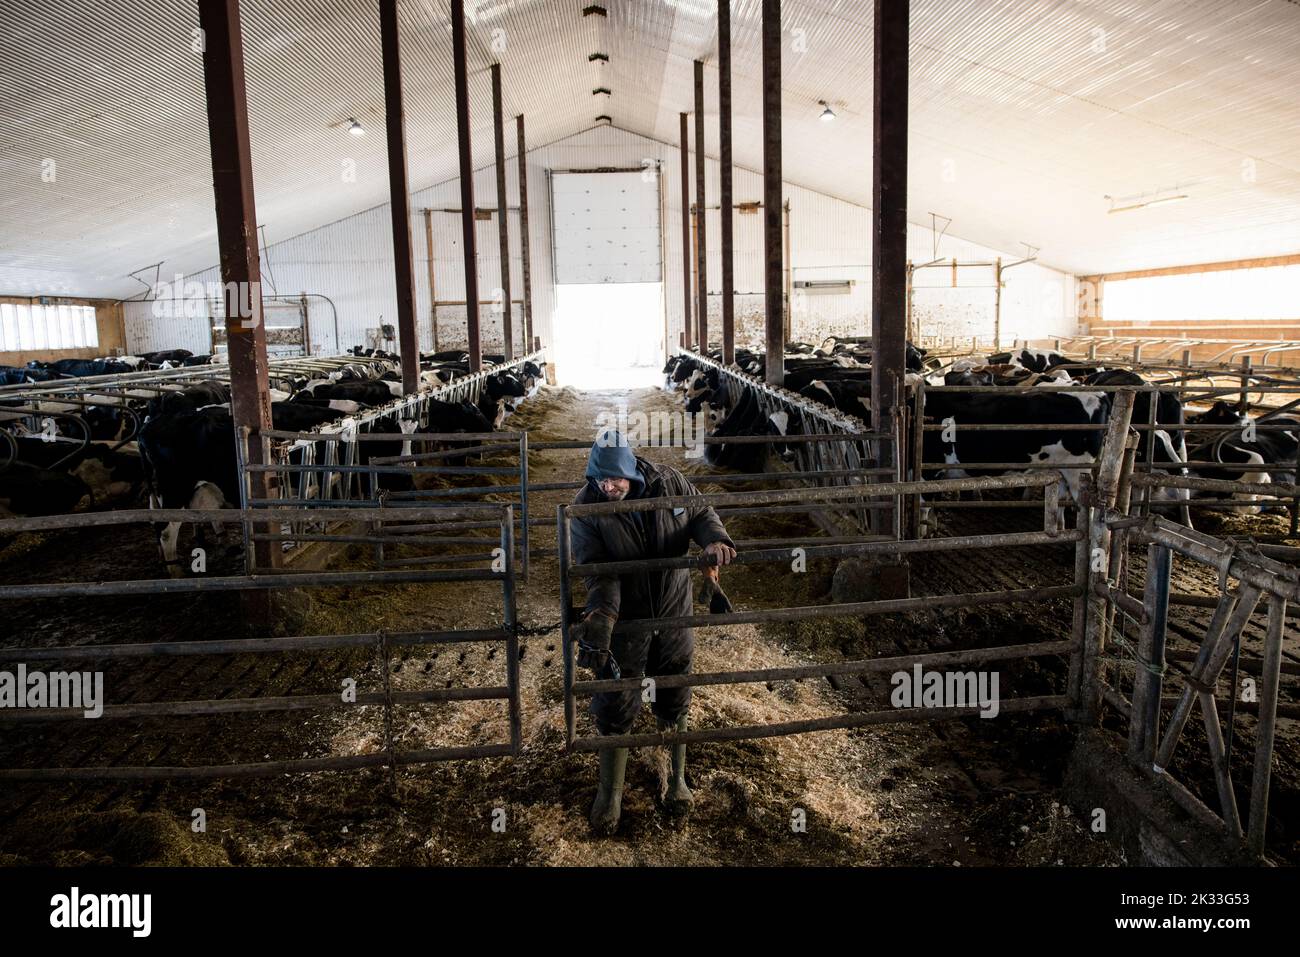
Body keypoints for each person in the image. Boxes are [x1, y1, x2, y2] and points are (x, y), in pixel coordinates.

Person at [568, 429, 736, 835]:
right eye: (601, 480)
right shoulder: (587, 508)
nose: (608, 487)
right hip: (628, 613)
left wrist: (714, 541)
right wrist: (603, 616)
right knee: (616, 695)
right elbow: (595, 570)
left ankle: (675, 778)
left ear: (631, 470)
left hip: (674, 604)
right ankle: (611, 793)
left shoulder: (670, 481)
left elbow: (699, 513)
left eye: (615, 479)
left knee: (675, 686)